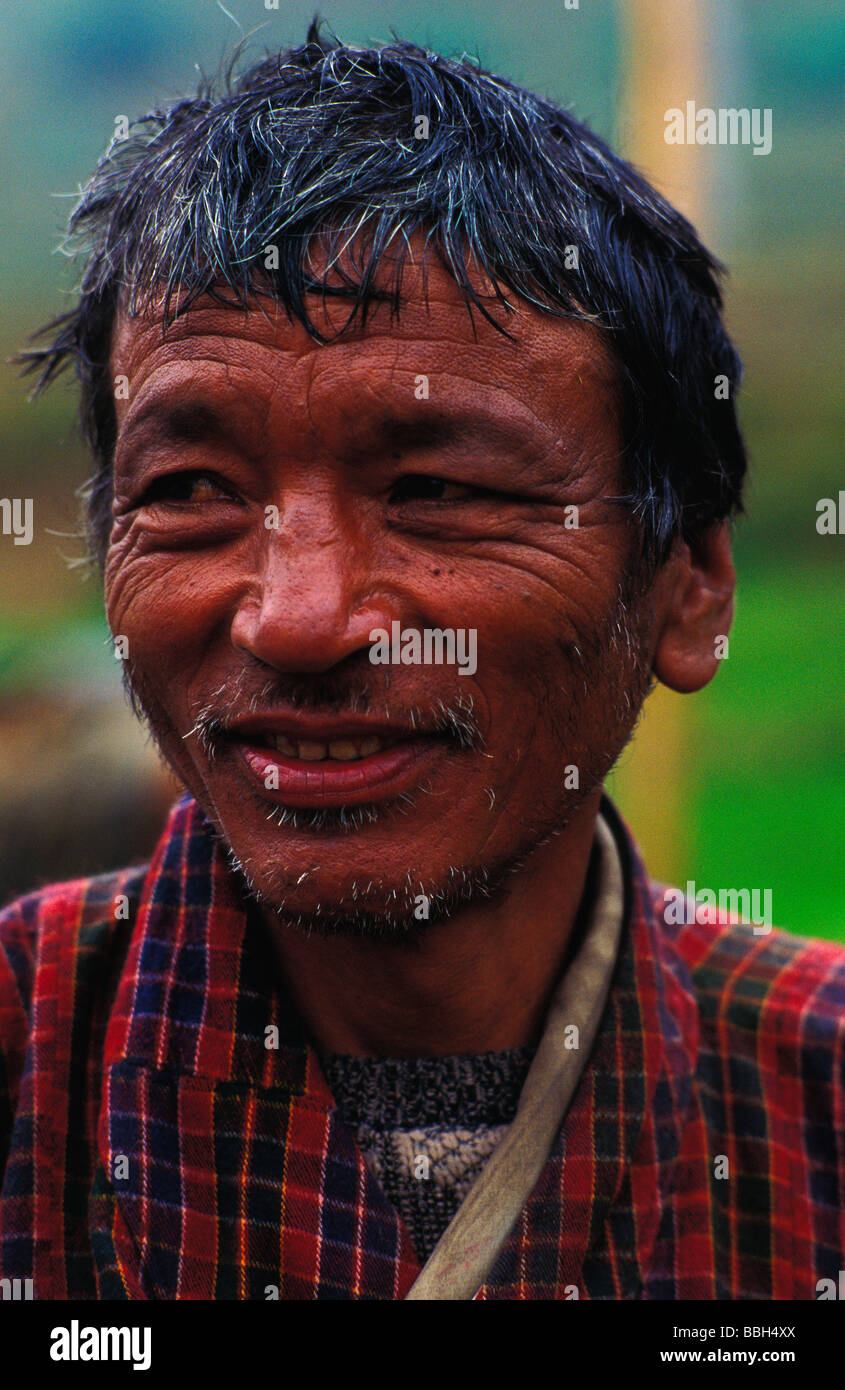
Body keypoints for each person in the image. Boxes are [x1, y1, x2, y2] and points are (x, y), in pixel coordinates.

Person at [1, 22, 842, 1301]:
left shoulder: (818, 1100)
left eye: (439, 488)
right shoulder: (23, 1053)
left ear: (687, 584)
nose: (296, 614)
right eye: (190, 489)